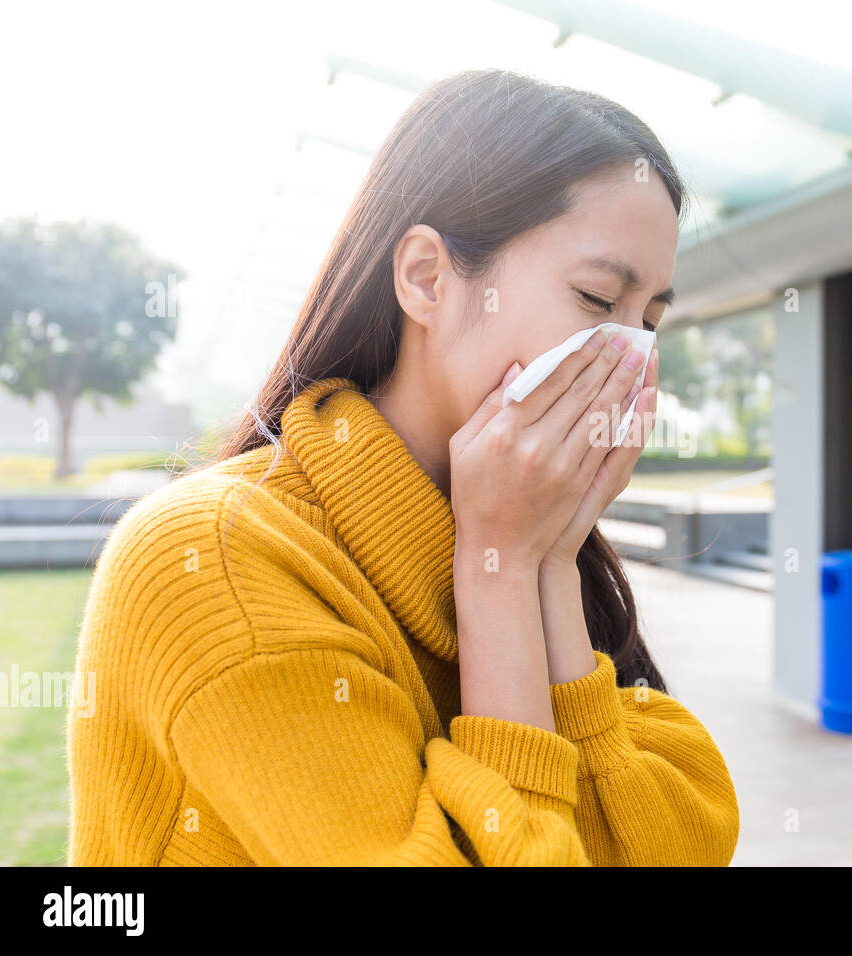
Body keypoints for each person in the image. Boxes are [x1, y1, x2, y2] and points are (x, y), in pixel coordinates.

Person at [67, 69, 739, 867]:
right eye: (597, 300)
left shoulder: (527, 538)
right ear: (427, 279)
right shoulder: (219, 560)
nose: (630, 360)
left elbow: (667, 843)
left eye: (651, 320)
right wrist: (502, 572)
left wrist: (548, 562)